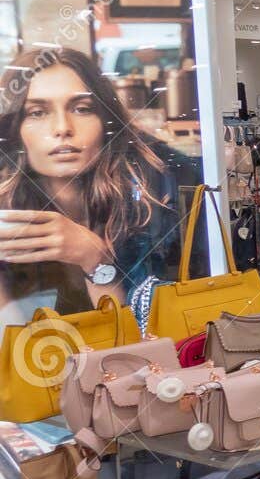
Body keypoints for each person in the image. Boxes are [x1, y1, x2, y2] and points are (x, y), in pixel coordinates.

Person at [0, 46, 199, 322]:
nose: (62, 127)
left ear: (105, 121)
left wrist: (95, 259)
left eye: (82, 109)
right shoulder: (8, 209)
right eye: (36, 112)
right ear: (14, 129)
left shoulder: (153, 201)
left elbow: (147, 338)